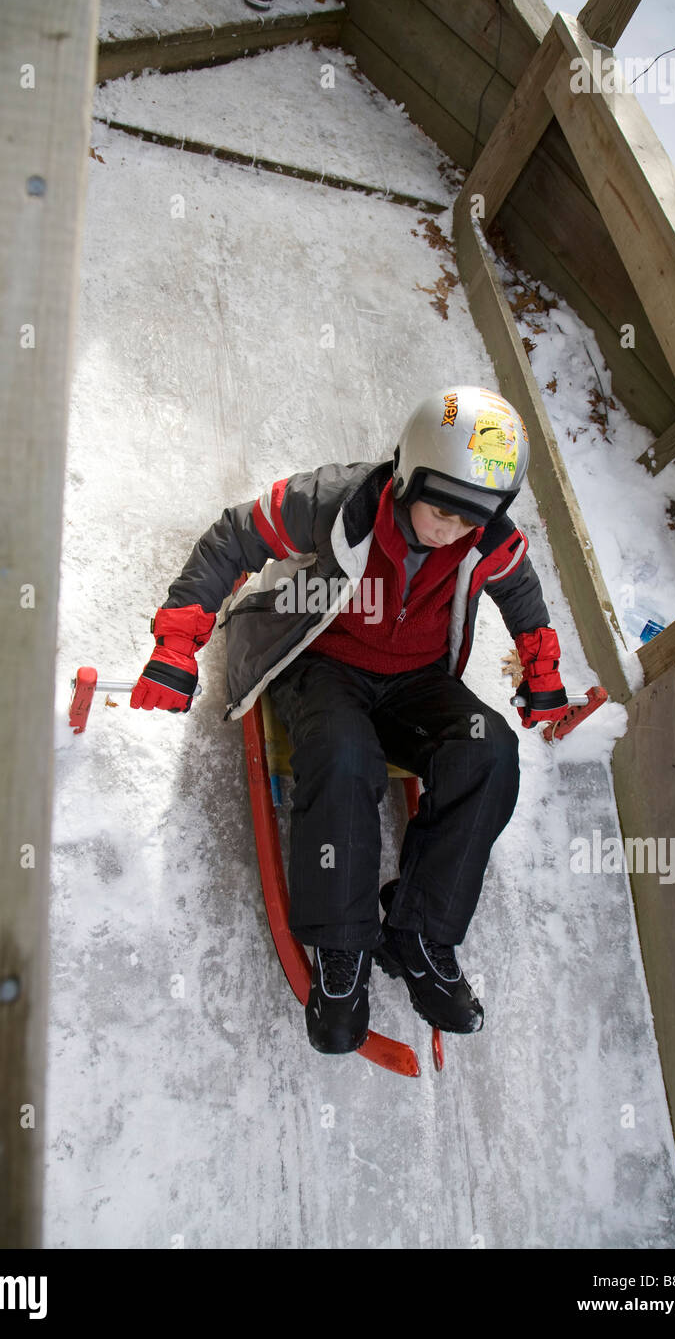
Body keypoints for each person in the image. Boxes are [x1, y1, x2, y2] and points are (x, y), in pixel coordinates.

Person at [131, 386, 569, 1054]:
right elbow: (235, 537)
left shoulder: (489, 537)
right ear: (408, 473)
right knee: (343, 755)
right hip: (325, 662)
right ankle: (343, 952)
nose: (450, 531)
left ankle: (419, 932)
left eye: (468, 520)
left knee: (489, 751)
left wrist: (543, 671)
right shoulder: (336, 501)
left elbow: (522, 595)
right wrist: (176, 644)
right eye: (439, 510)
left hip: (417, 683)